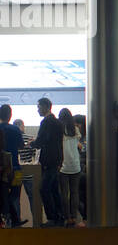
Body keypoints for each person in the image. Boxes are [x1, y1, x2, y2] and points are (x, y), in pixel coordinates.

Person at [35, 97, 63, 225]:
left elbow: (41, 140)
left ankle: (51, 217)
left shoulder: (46, 122)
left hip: (48, 160)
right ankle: (60, 216)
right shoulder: (58, 122)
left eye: (39, 107)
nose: (37, 110)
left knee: (44, 189)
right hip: (56, 159)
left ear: (46, 107)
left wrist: (32, 144)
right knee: (54, 189)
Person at [0, 104, 25, 227]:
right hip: (16, 169)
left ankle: (8, 217)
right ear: (10, 116)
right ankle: (14, 220)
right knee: (15, 195)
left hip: (3, 171)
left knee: (3, 194)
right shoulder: (15, 129)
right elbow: (21, 146)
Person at [57, 108, 82, 226]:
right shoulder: (75, 129)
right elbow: (78, 143)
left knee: (64, 193)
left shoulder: (59, 130)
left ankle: (67, 217)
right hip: (75, 165)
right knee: (74, 192)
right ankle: (74, 216)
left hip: (63, 165)